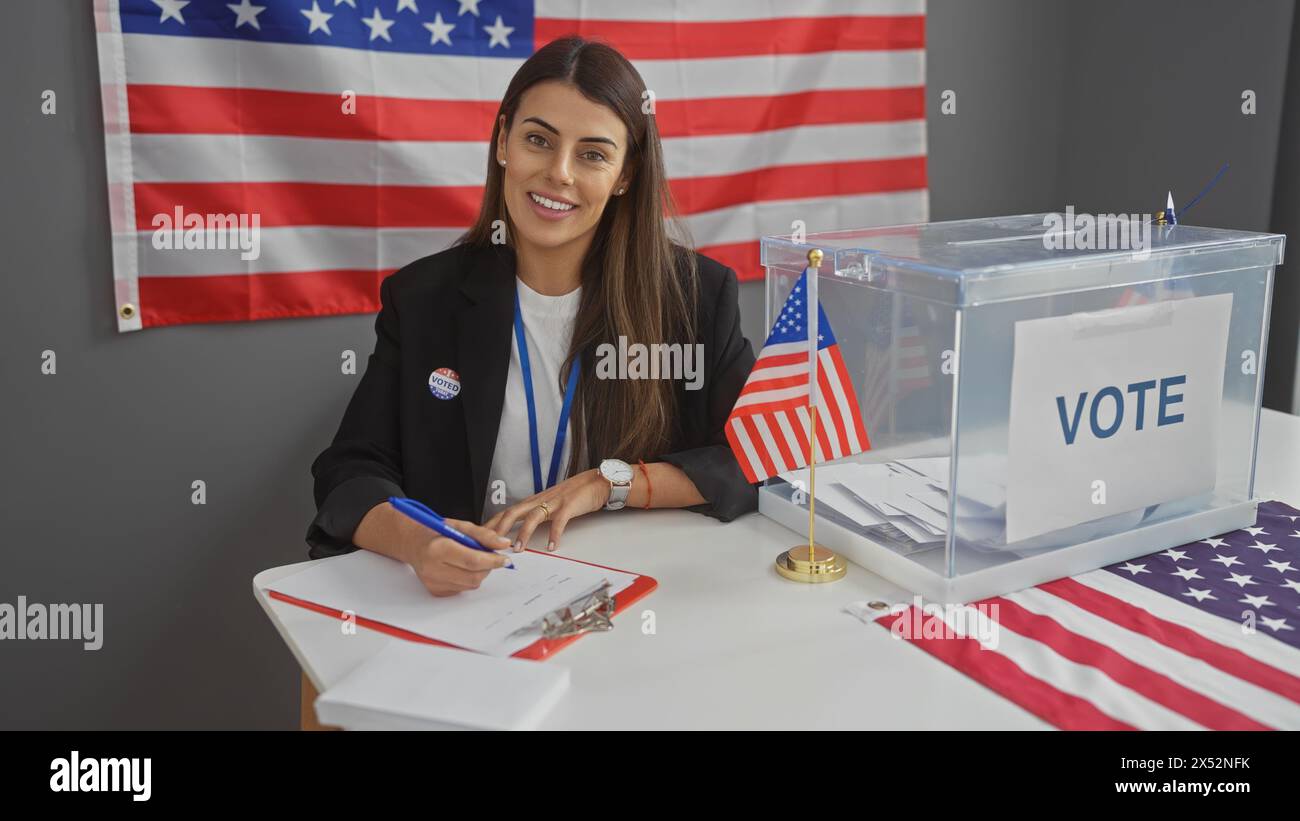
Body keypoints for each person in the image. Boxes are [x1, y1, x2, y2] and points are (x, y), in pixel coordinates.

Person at [305, 37, 757, 596]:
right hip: (477, 594)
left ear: (625, 175)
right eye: (538, 140)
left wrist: (605, 484)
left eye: (592, 153)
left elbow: (757, 457)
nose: (558, 173)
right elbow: (348, 468)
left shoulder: (697, 294)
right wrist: (419, 543)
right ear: (503, 144)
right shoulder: (423, 297)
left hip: (644, 594)